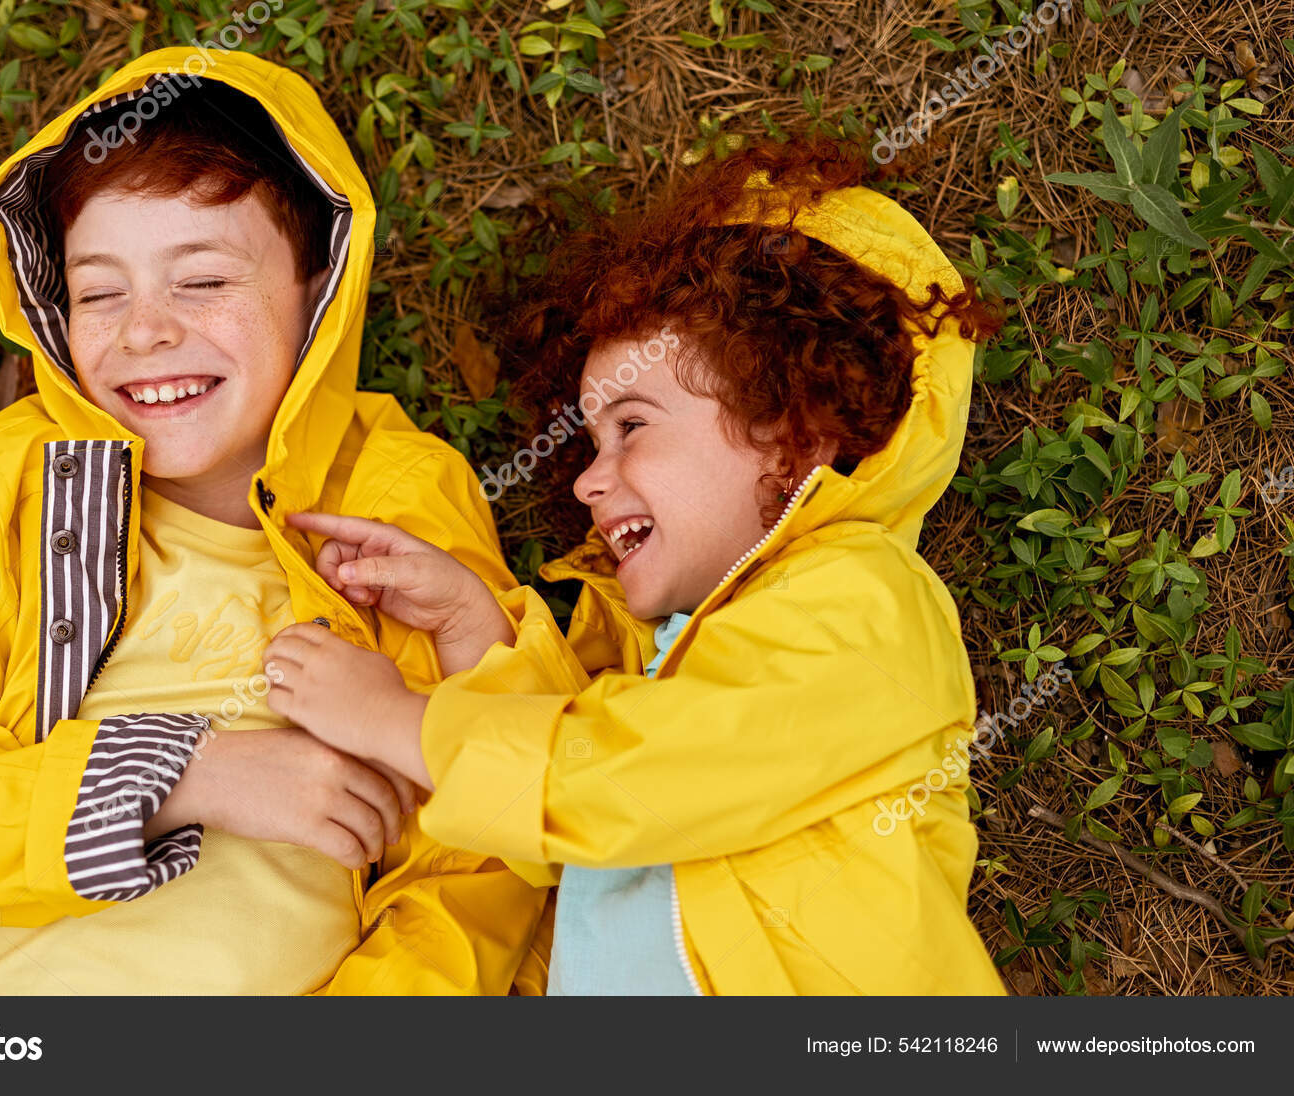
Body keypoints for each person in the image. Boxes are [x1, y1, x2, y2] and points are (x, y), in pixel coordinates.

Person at [0, 47, 545, 996]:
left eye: (203, 280)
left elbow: (480, 859)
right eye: (99, 294)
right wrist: (183, 775)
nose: (144, 331)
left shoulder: (399, 494)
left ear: (320, 284)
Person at [261, 139, 1009, 994]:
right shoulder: (659, 660)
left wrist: (399, 723)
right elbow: (555, 824)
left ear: (794, 429)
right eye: (587, 439)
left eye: (632, 426)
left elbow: (635, 776)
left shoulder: (863, 597)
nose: (586, 477)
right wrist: (474, 629)